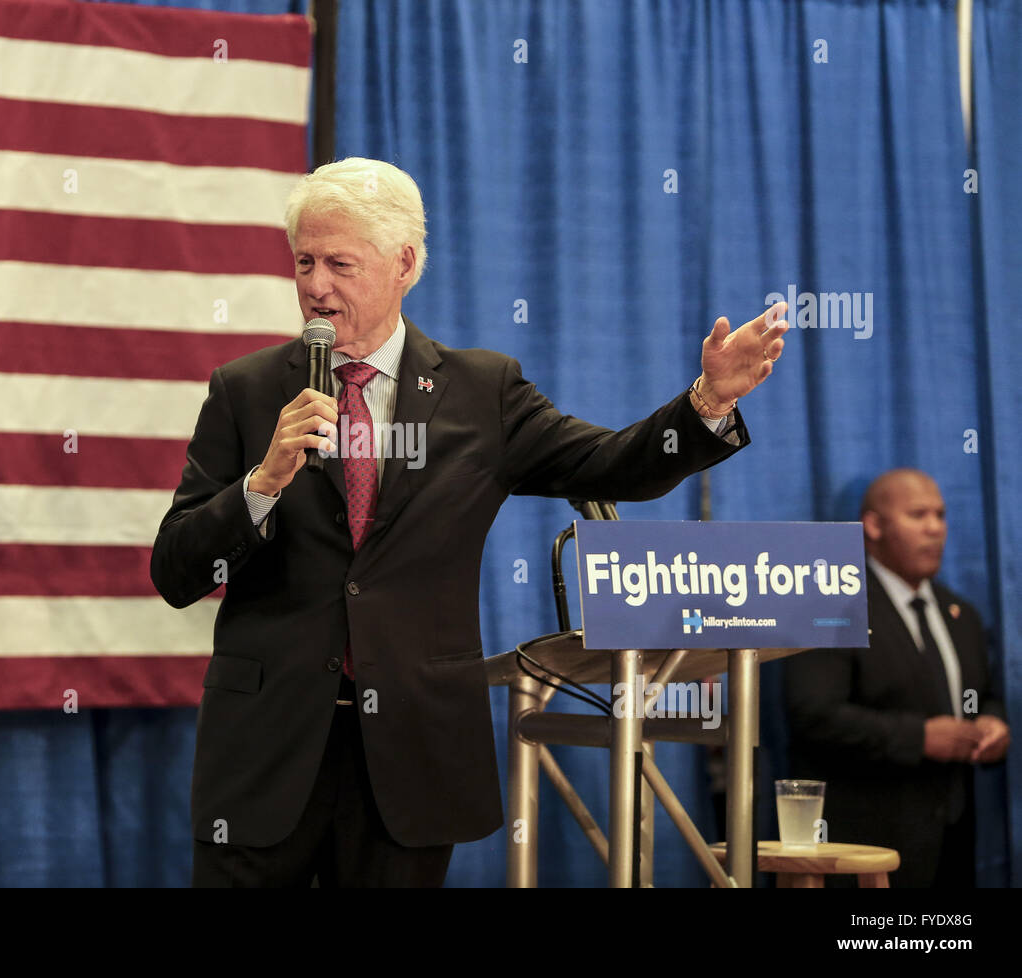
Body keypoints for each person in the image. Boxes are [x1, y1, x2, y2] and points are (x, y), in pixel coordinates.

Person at [151, 157, 788, 887]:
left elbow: (614, 464)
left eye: (338, 263)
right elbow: (176, 571)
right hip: (264, 758)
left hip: (410, 758)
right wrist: (261, 484)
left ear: (405, 264)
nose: (315, 285)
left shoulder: (481, 393)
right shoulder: (246, 391)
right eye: (303, 261)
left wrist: (707, 401)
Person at [784, 469, 1009, 887]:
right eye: (918, 515)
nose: (935, 528)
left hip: (953, 843)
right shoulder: (830, 606)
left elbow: (985, 696)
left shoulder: (961, 615)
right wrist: (919, 737)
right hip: (861, 850)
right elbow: (814, 715)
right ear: (873, 525)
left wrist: (993, 725)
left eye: (940, 515)